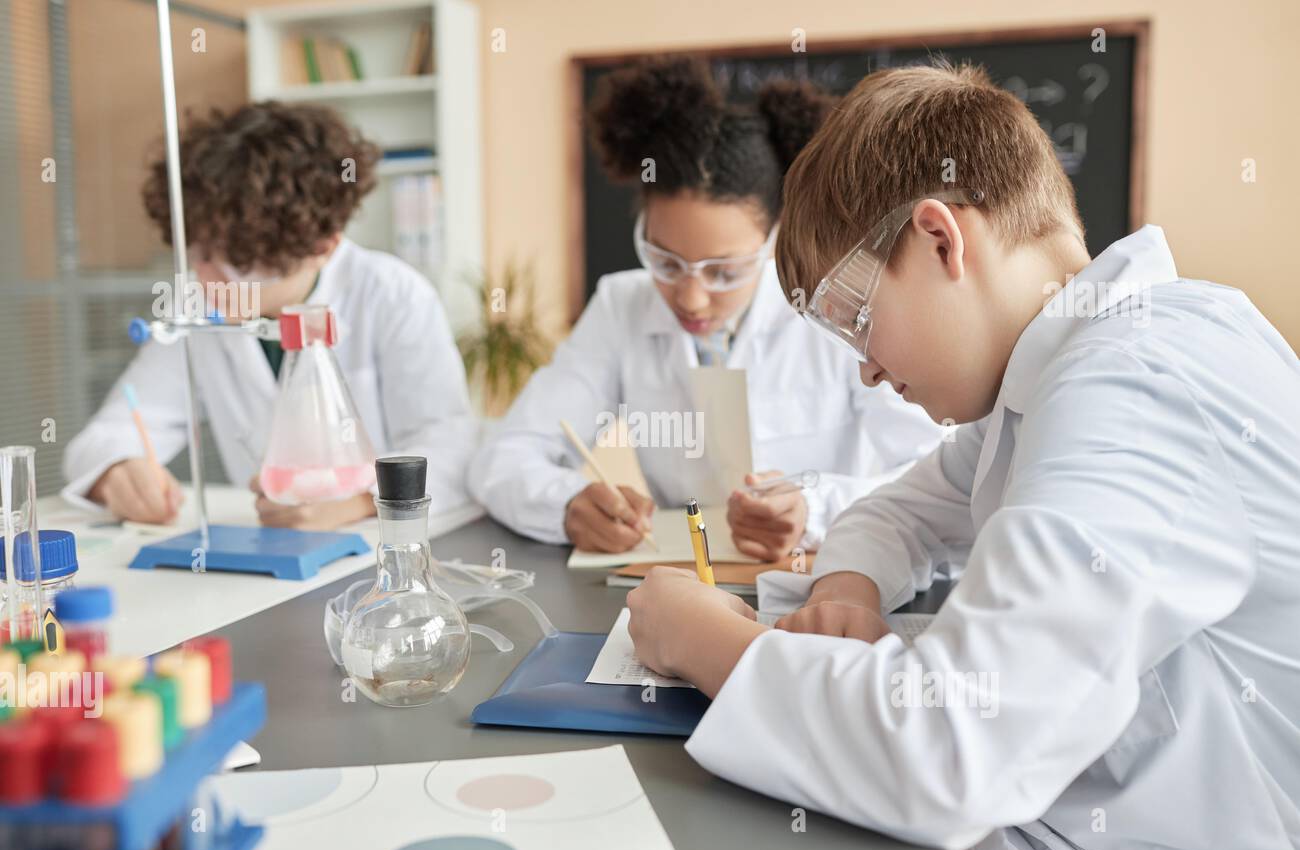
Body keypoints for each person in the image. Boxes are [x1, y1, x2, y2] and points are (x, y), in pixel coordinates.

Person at [626, 63, 1300, 850]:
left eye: (857, 318)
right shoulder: (1057, 375)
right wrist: (847, 587)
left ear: (942, 238)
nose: (867, 370)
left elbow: (951, 751)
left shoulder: (1138, 384)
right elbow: (898, 510)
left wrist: (706, 644)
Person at [469, 56, 939, 560]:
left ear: (774, 238)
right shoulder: (621, 306)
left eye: (724, 272)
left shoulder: (834, 313)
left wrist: (816, 508)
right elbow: (503, 458)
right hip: (680, 584)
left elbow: (936, 477)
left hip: (823, 578)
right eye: (665, 262)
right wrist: (565, 504)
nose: (690, 299)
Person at [62, 102, 477, 530]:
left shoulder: (392, 295)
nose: (205, 278)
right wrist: (118, 472)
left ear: (322, 247)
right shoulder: (199, 309)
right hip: (267, 560)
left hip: (381, 552)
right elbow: (107, 434)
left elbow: (451, 446)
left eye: (235, 262)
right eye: (199, 253)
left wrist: (361, 501)